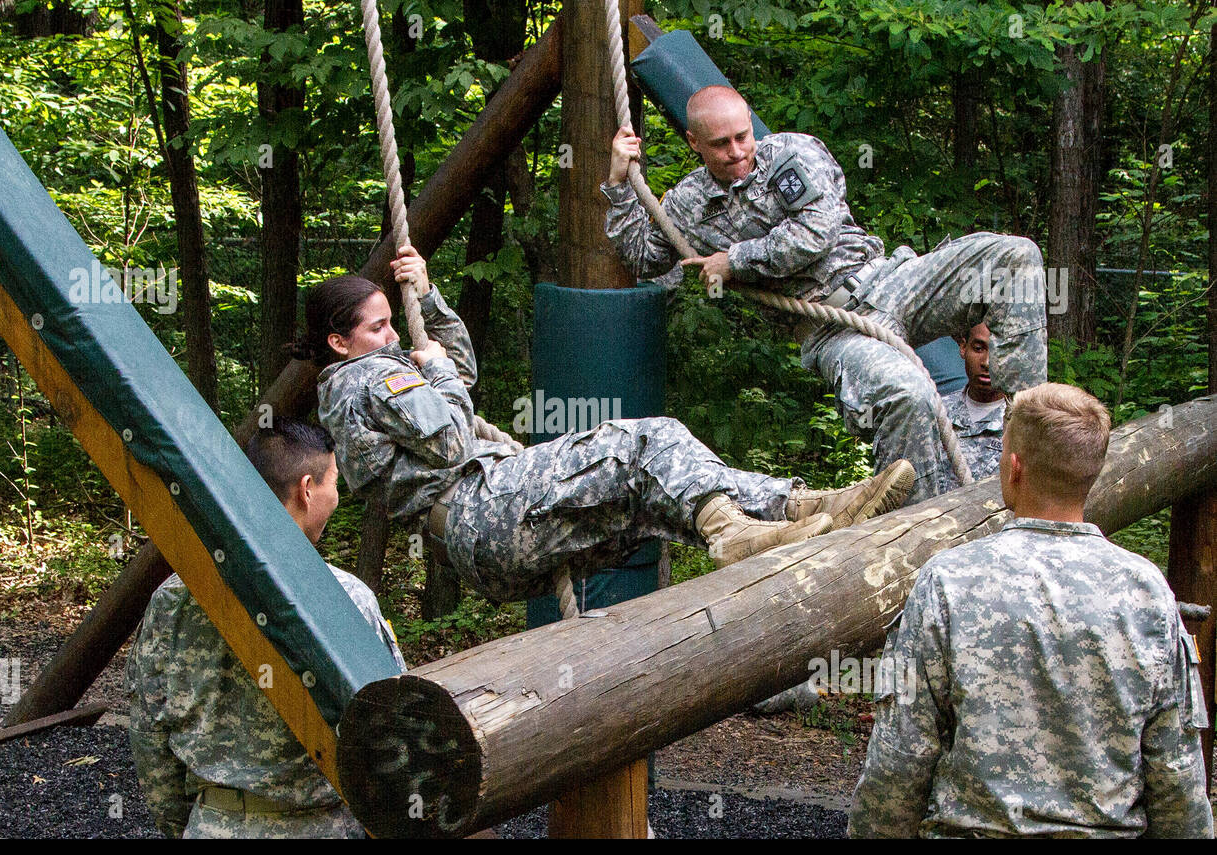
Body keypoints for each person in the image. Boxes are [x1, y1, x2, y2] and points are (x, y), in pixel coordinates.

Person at [301, 247, 916, 605]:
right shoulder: (367, 379)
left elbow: (459, 377)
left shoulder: (361, 385)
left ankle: (804, 507)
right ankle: (737, 535)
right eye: (377, 327)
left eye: (390, 323)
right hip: (477, 511)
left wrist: (429, 302)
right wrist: (430, 369)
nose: (391, 337)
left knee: (653, 489)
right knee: (643, 441)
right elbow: (455, 434)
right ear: (338, 342)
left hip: (479, 538)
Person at [602, 84, 1048, 504]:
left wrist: (733, 261)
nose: (737, 151)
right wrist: (620, 184)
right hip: (831, 329)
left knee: (1014, 256)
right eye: (721, 144)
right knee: (908, 395)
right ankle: (922, 530)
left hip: (890, 282)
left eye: (743, 136)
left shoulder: (793, 153)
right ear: (694, 142)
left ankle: (1032, 438)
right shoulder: (689, 205)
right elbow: (643, 258)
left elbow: (815, 232)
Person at [847, 383, 1213, 838]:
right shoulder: (1147, 592)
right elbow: (1177, 776)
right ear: (1091, 472)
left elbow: (900, 758)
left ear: (1014, 467)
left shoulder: (948, 581)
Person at [126, 418, 406, 839]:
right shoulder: (347, 599)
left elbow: (149, 731)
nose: (336, 495)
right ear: (307, 489)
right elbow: (392, 727)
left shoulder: (175, 596)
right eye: (334, 482)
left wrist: (190, 825)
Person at [941, 322, 1006, 479]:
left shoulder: (1022, 423)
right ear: (963, 348)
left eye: (998, 352)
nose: (987, 363)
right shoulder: (938, 412)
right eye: (979, 349)